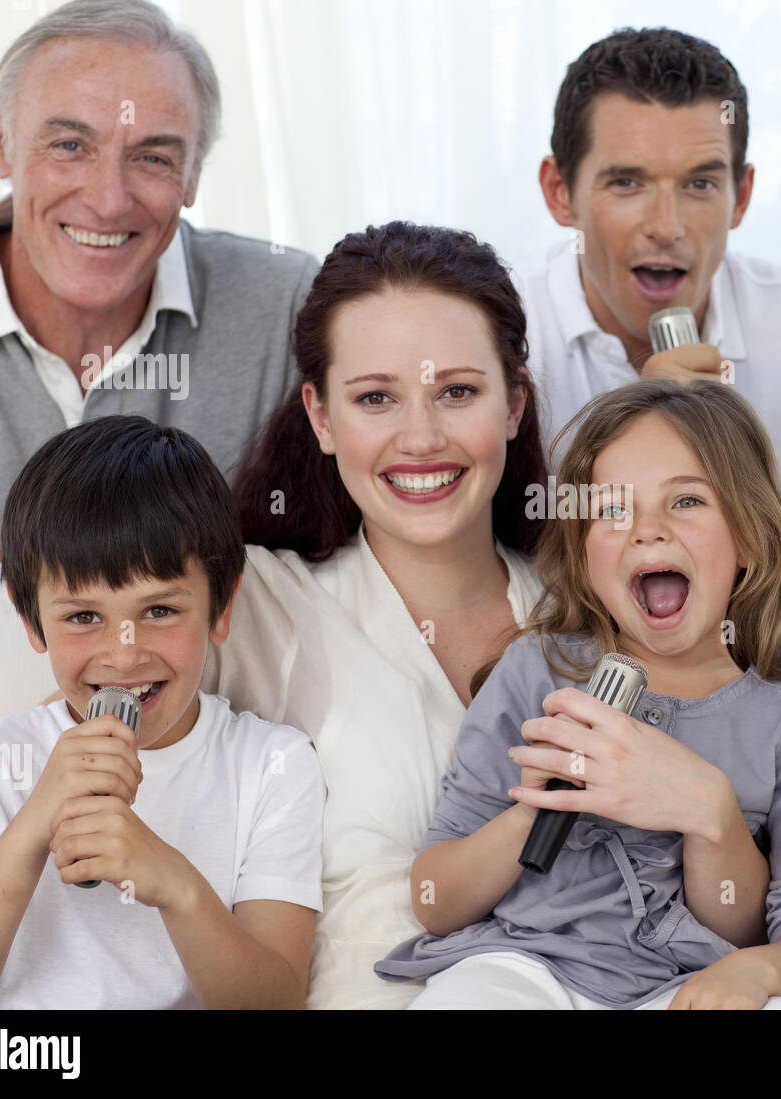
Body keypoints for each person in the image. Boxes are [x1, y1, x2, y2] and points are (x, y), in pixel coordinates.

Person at [376, 379, 781, 1009]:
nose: (647, 533)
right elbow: (435, 899)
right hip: (523, 967)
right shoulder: (536, 672)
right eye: (613, 510)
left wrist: (711, 815)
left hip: (679, 986)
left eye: (685, 501)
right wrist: (538, 810)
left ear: (750, 537)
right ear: (585, 556)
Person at [204, 221, 548, 1008]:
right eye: (375, 399)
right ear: (321, 417)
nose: (420, 438)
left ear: (514, 404)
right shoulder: (258, 601)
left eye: (457, 392)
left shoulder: (588, 613)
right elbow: (90, 624)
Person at [0, 416, 325, 1009]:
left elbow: (275, 1001)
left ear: (221, 608)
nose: (123, 652)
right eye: (83, 617)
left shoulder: (273, 765)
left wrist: (174, 885)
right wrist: (34, 824)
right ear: (31, 620)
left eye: (161, 610)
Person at [0, 0, 318, 556]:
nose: (109, 202)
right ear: (0, 141)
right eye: (69, 146)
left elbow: (349, 566)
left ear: (193, 176)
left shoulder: (286, 304)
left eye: (153, 158)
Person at [518, 26, 781, 499]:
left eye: (699, 185)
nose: (667, 226)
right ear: (560, 193)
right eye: (627, 183)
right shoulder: (501, 341)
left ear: (741, 197)